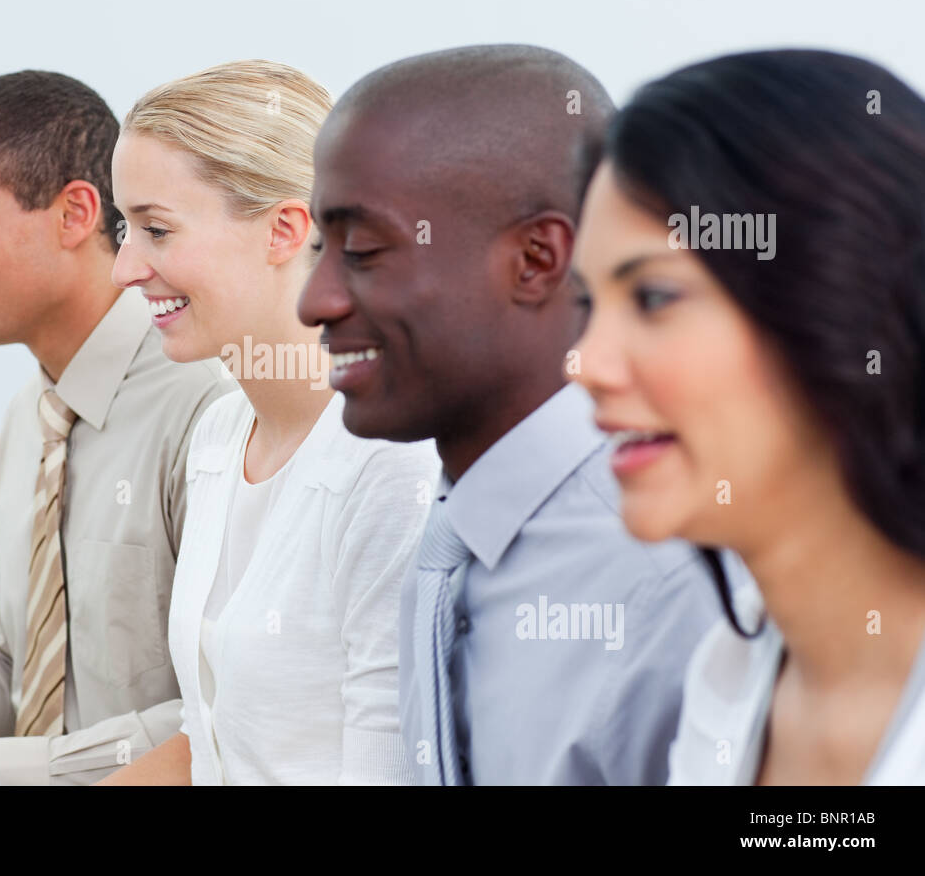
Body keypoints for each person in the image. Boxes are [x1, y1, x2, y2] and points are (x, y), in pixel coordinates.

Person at [298, 44, 731, 785]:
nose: (316, 301)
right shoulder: (455, 529)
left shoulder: (672, 580)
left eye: (364, 249)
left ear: (536, 258)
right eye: (320, 247)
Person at [0, 70, 233, 785]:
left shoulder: (208, 409)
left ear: (75, 213)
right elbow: (5, 666)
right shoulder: (31, 419)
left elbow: (218, 714)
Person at [572, 49, 925, 785]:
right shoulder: (728, 680)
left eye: (655, 297)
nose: (584, 364)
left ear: (838, 296)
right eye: (586, 306)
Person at [99, 60, 438, 785]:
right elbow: (209, 744)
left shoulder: (390, 464)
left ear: (286, 229)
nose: (125, 266)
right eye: (125, 229)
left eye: (155, 229)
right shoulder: (221, 434)